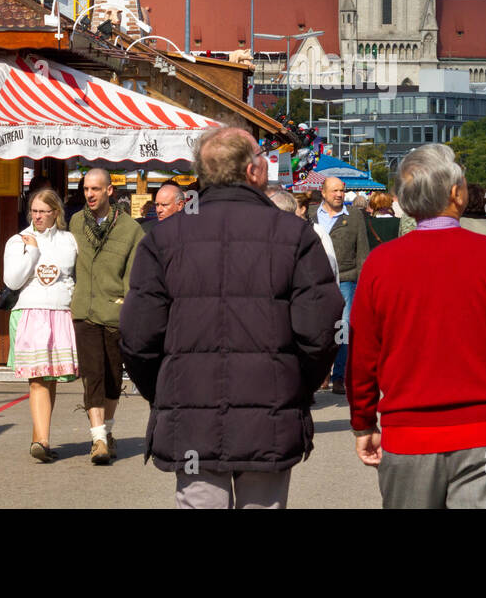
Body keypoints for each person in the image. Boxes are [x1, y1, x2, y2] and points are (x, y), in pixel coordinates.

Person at [121, 127, 342, 508]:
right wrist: (293, 386)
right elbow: (321, 330)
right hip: (269, 411)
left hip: (191, 412)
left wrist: (166, 392)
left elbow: (138, 335)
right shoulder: (295, 235)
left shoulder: (162, 238)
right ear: (254, 172)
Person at [347, 144, 486, 508]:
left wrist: (364, 422)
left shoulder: (381, 264)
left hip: (409, 434)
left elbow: (363, 354)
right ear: (454, 193)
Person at [69, 168, 145, 464]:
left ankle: (108, 431)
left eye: (95, 189)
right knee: (93, 375)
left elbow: (134, 272)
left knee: (113, 378)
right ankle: (98, 439)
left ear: (110, 191)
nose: (89, 194)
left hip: (115, 312)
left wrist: (125, 302)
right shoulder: (75, 222)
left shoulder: (130, 228)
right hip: (84, 312)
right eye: (86, 189)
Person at [4, 189, 79, 462]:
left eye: (43, 212)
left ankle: (39, 438)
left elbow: (75, 276)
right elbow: (12, 281)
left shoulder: (69, 240)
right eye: (33, 211)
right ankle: (43, 441)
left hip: (60, 311)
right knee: (37, 379)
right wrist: (32, 251)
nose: (37, 217)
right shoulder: (19, 241)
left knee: (52, 378)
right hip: (30, 311)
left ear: (55, 213)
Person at [310, 175, 371, 395]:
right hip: (316, 281)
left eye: (342, 191)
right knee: (319, 329)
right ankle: (322, 373)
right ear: (323, 193)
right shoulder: (311, 215)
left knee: (342, 328)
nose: (339, 195)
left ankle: (339, 377)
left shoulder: (354, 216)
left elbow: (362, 251)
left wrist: (363, 282)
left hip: (345, 279)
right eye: (334, 191)